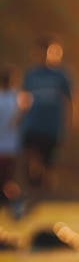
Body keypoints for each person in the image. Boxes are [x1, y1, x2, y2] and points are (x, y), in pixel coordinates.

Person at [18, 35, 74, 209]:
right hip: (32, 125)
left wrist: (72, 122)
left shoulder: (61, 75)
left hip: (52, 127)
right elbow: (23, 99)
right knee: (31, 163)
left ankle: (42, 198)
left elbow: (72, 98)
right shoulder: (31, 75)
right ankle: (30, 197)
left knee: (49, 168)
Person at [0, 65, 21, 213]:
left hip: (2, 147)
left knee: (4, 181)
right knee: (8, 180)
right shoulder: (18, 99)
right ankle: (14, 206)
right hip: (12, 148)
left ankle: (11, 206)